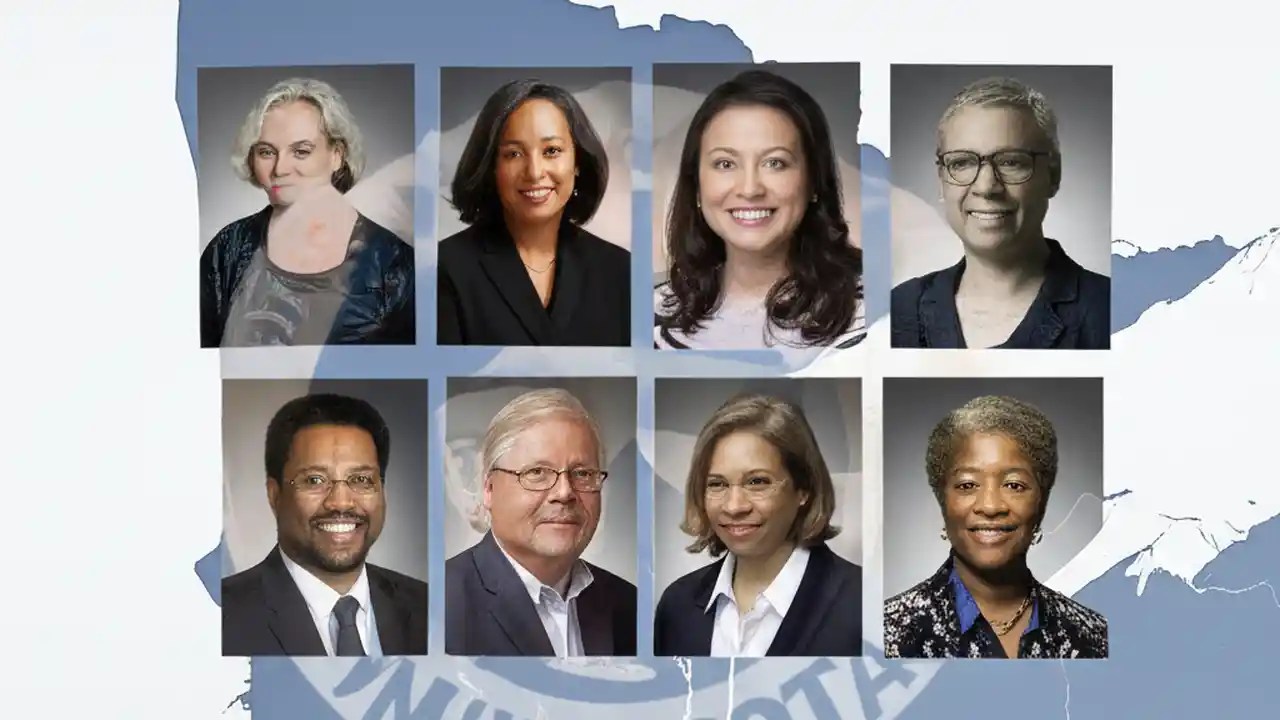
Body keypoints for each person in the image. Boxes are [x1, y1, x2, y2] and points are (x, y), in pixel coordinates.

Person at [890, 76, 1110, 349]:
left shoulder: (1110, 313)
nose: (986, 187)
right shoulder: (898, 310)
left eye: (1010, 162)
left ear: (1053, 175)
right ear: (942, 180)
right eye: (962, 162)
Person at [654, 70, 865, 353]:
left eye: (775, 163)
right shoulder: (648, 315)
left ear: (813, 181)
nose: (750, 189)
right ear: (696, 184)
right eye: (725, 164)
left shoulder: (875, 315)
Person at [883, 395, 1108, 659]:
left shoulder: (1092, 635)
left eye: (1014, 485)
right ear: (942, 499)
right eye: (967, 485)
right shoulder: (888, 633)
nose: (990, 506)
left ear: (1042, 501)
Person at [200, 77, 415, 348]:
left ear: (337, 155)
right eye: (266, 152)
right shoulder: (228, 250)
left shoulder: (394, 264)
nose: (280, 169)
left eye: (301, 151)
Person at [654, 394, 862, 657]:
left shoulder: (862, 604)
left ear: (803, 490)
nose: (734, 506)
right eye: (717, 484)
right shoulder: (677, 607)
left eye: (757, 482)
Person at [222, 393, 428, 656]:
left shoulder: (430, 607)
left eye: (362, 480)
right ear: (275, 496)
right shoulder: (220, 616)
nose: (341, 502)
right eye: (314, 481)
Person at [438, 80, 630, 347]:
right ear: (491, 166)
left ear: (577, 163)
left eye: (552, 151)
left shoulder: (620, 270)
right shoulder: (445, 267)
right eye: (514, 154)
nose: (535, 172)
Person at [445, 389, 636, 656]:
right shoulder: (439, 604)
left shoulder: (629, 605)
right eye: (537, 473)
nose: (564, 493)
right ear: (489, 489)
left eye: (582, 474)